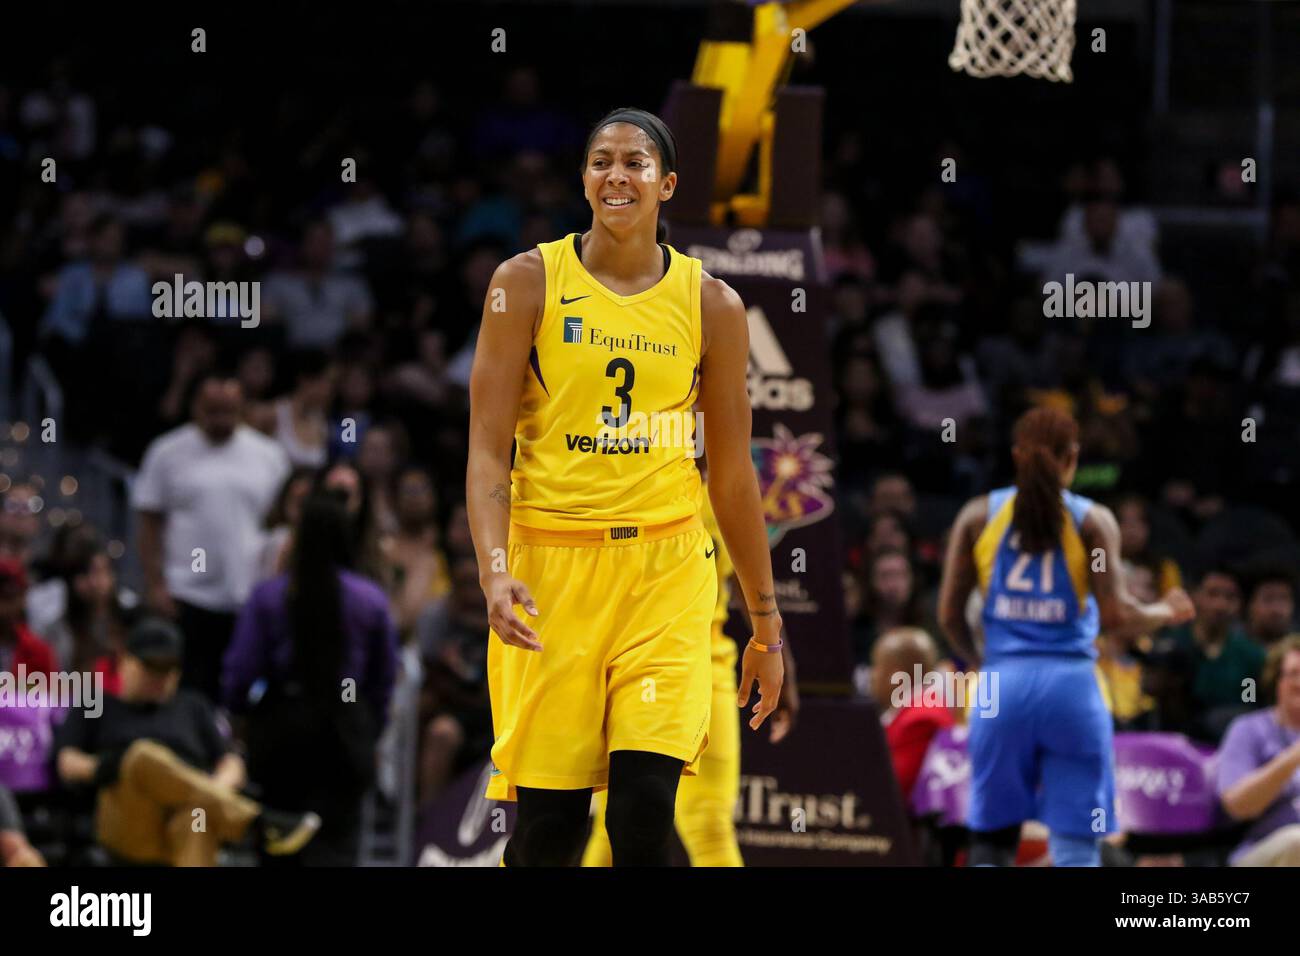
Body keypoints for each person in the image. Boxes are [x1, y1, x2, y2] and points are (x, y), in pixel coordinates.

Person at [466, 107, 783, 867]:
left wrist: (766, 624)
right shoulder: (525, 283)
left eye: (635, 162)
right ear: (583, 180)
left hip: (665, 575)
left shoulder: (713, 306)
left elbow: (733, 477)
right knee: (550, 834)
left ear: (665, 184)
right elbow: (485, 453)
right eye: (601, 161)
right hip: (550, 574)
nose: (617, 175)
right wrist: (494, 571)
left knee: (643, 816)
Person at [938, 407, 1194, 867]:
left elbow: (948, 614)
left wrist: (980, 663)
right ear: (1073, 457)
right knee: (1076, 843)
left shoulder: (978, 516)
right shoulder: (1093, 520)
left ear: (1017, 455)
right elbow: (1117, 617)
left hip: (1001, 688)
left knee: (992, 841)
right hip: (1072, 690)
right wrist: (1166, 610)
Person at [582, 487, 799, 867]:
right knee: (615, 823)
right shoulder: (620, 477)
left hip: (704, 665)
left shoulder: (725, 487)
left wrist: (780, 659)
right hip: (626, 664)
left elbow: (746, 586)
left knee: (709, 824)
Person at [55, 617, 320, 866]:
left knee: (197, 813)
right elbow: (67, 762)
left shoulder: (192, 705)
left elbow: (232, 763)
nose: (161, 678)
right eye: (152, 667)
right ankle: (256, 824)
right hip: (128, 815)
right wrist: (109, 766)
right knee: (142, 755)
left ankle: (247, 820)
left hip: (185, 818)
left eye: (169, 669)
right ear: (126, 661)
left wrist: (210, 793)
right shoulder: (96, 703)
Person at [223, 493, 399, 866]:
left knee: (279, 846)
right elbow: (384, 680)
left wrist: (244, 717)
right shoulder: (370, 600)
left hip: (283, 736)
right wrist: (368, 729)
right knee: (336, 848)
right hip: (346, 734)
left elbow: (241, 673)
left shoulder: (269, 596)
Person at [133, 371, 291, 702]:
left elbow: (281, 524)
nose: (221, 419)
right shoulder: (167, 452)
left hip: (246, 594)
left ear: (243, 407)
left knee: (241, 695)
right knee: (185, 693)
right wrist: (155, 583)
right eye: (212, 410)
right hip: (185, 594)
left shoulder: (269, 456)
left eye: (229, 410)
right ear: (195, 407)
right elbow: (148, 522)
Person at [1216, 634, 1300, 865]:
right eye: (1294, 673)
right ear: (1276, 680)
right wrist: (1293, 757)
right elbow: (1237, 804)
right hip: (1261, 851)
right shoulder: (1248, 729)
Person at [868, 627, 956, 801]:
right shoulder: (916, 709)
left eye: (876, 666)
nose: (871, 676)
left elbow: (894, 787)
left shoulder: (921, 719)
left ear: (896, 677)